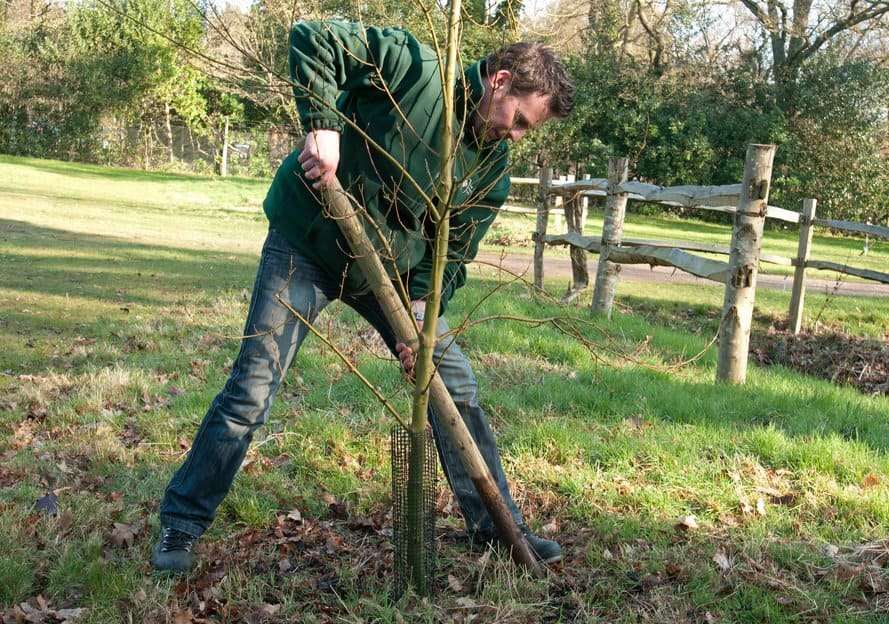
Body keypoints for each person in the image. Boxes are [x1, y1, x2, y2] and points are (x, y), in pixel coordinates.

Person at [151, 19, 575, 573]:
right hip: (310, 242)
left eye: (527, 130)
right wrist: (324, 125)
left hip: (389, 278)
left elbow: (453, 256)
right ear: (499, 81)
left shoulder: (491, 168)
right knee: (252, 389)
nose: (517, 136)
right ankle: (181, 525)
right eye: (518, 120)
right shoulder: (412, 68)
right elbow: (312, 37)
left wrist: (423, 320)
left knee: (455, 383)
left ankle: (497, 529)